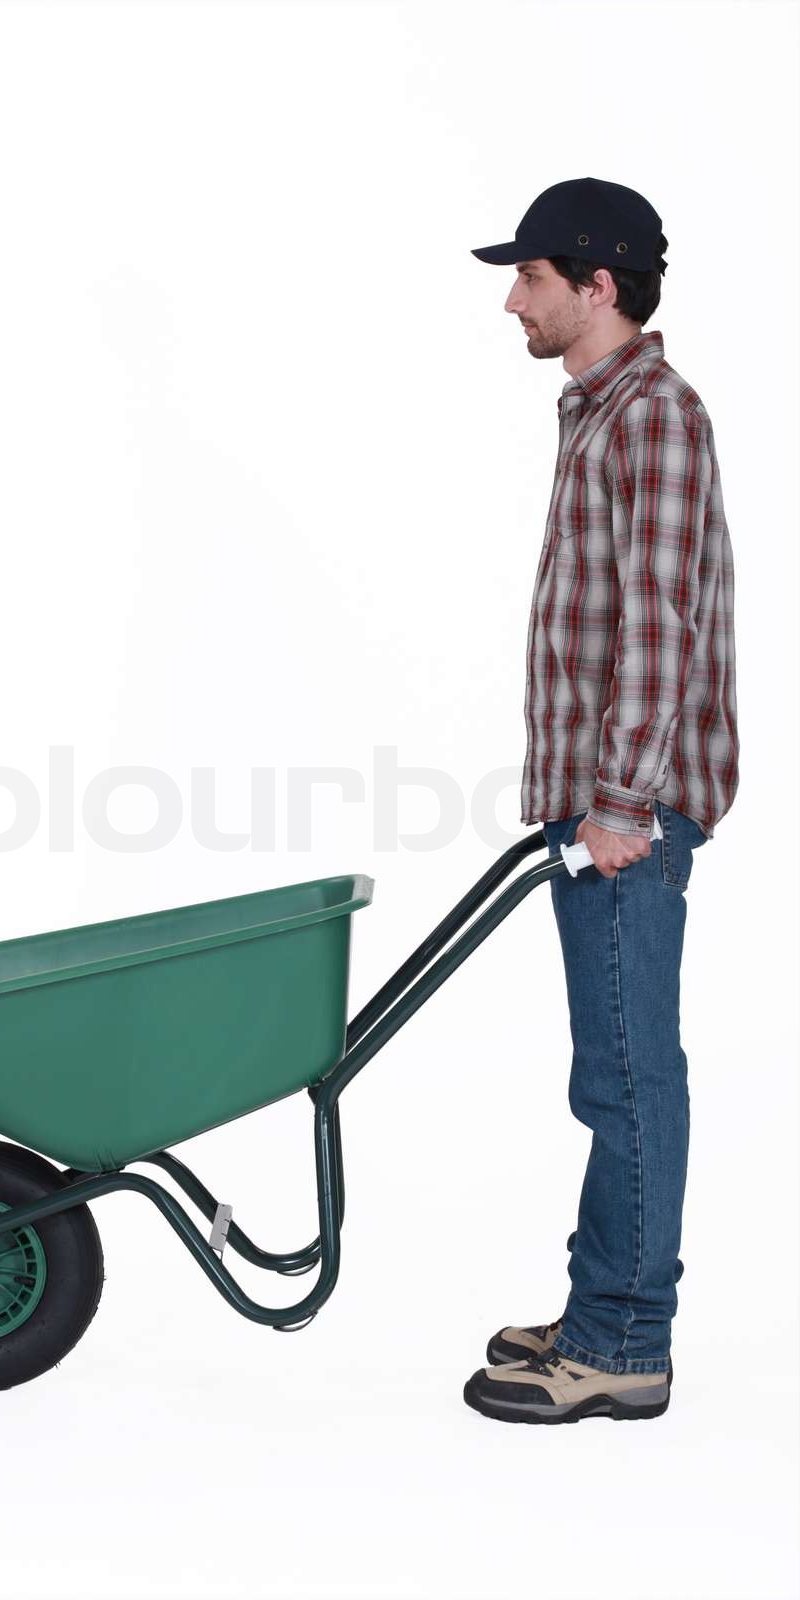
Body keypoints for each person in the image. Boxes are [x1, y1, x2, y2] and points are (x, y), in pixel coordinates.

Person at [463, 177, 739, 1424]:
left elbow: (660, 633)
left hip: (626, 815)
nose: (511, 299)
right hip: (592, 809)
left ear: (598, 285)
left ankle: (623, 1340)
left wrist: (620, 802)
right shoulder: (597, 414)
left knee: (627, 1077)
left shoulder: (653, 422)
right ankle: (598, 1305)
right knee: (609, 1070)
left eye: (528, 276)